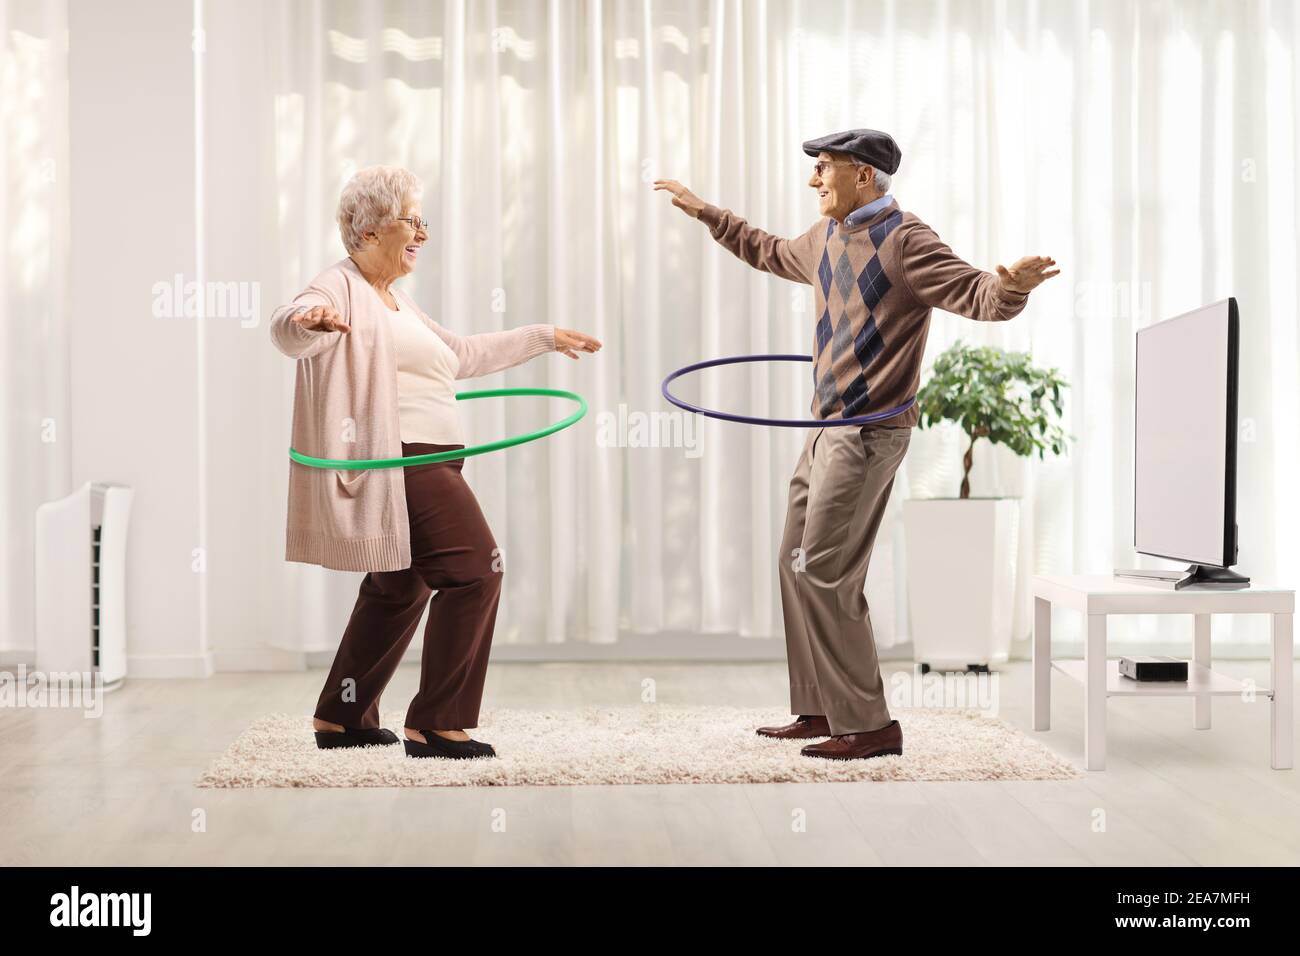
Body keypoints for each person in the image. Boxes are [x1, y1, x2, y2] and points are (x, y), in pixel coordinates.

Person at [654, 128, 1058, 760]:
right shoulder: (823, 237)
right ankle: (820, 708)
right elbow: (767, 249)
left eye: (824, 168)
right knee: (795, 562)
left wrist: (1013, 286)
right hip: (823, 427)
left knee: (826, 570)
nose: (814, 179)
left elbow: (978, 294)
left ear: (863, 176)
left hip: (868, 433)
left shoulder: (906, 241)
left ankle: (869, 725)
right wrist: (707, 211)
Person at [270, 165, 601, 759]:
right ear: (368, 232)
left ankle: (342, 717)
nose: (422, 232)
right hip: (403, 461)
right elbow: (292, 326)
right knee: (478, 571)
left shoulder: (394, 301)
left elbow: (460, 356)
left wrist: (543, 336)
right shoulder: (337, 288)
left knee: (401, 584)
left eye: (423, 221)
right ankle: (438, 723)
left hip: (436, 460)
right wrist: (303, 321)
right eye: (411, 221)